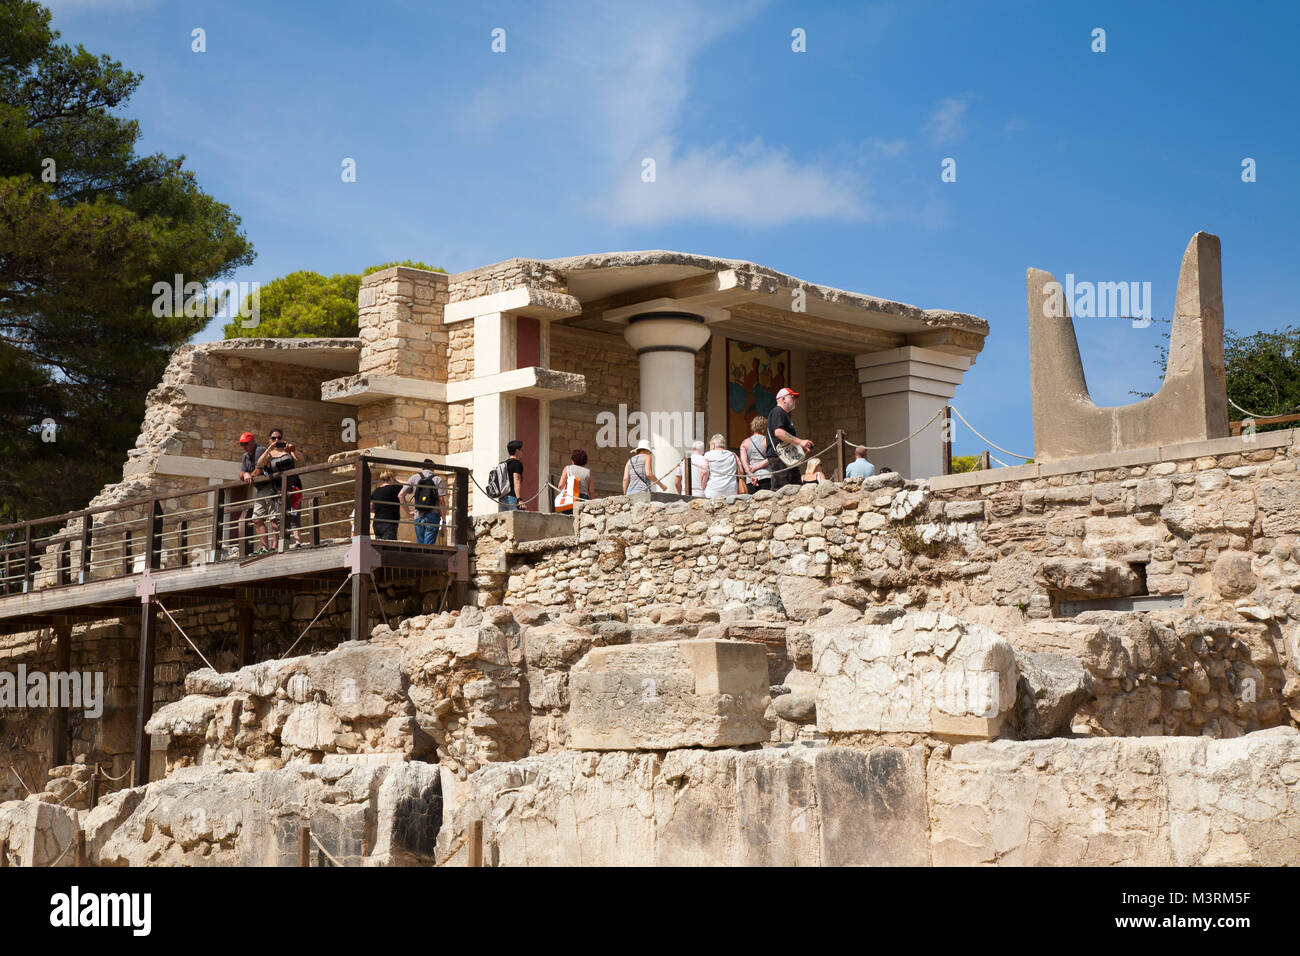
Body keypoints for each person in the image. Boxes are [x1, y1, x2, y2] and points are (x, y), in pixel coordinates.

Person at [257, 428, 303, 548]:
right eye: (273, 438)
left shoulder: (287, 450)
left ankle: (297, 541)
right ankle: (282, 542)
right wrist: (269, 449)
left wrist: (293, 450)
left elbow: (301, 460)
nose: (276, 440)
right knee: (279, 516)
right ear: (269, 440)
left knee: (294, 513)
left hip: (293, 486)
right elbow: (260, 463)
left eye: (279, 438)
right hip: (278, 488)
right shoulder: (269, 454)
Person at [766, 387, 813, 490]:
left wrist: (799, 448)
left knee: (795, 488)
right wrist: (800, 442)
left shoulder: (783, 414)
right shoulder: (778, 412)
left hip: (787, 457)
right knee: (783, 491)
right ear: (783, 399)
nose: (795, 400)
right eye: (792, 397)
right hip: (779, 458)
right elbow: (779, 433)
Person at [237, 431, 274, 553]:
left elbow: (259, 471)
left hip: (270, 486)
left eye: (246, 443)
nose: (244, 446)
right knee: (257, 518)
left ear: (253, 442)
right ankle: (264, 547)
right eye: (242, 444)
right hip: (260, 489)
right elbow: (241, 473)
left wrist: (250, 475)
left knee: (274, 518)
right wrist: (246, 474)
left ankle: (275, 546)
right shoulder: (245, 456)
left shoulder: (260, 450)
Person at [401, 459, 445, 543]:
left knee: (420, 545)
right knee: (428, 547)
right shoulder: (437, 479)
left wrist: (408, 512)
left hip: (418, 516)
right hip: (433, 516)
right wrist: (444, 522)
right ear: (433, 468)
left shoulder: (414, 478)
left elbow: (400, 495)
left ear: (422, 468)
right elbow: (441, 501)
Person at [703, 434, 746, 499]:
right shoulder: (733, 455)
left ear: (713, 445)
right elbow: (741, 472)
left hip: (713, 491)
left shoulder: (708, 455)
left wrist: (703, 487)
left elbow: (704, 472)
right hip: (731, 492)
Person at [739, 415, 773, 492]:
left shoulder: (745, 442)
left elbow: (744, 462)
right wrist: (756, 468)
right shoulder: (767, 440)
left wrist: (751, 473)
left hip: (750, 478)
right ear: (764, 427)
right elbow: (771, 458)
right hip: (766, 476)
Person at [370, 471, 403, 540]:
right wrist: (396, 480)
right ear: (391, 478)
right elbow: (410, 485)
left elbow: (371, 508)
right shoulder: (395, 488)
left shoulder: (376, 491)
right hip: (389, 522)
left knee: (379, 548)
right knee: (390, 547)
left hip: (377, 523)